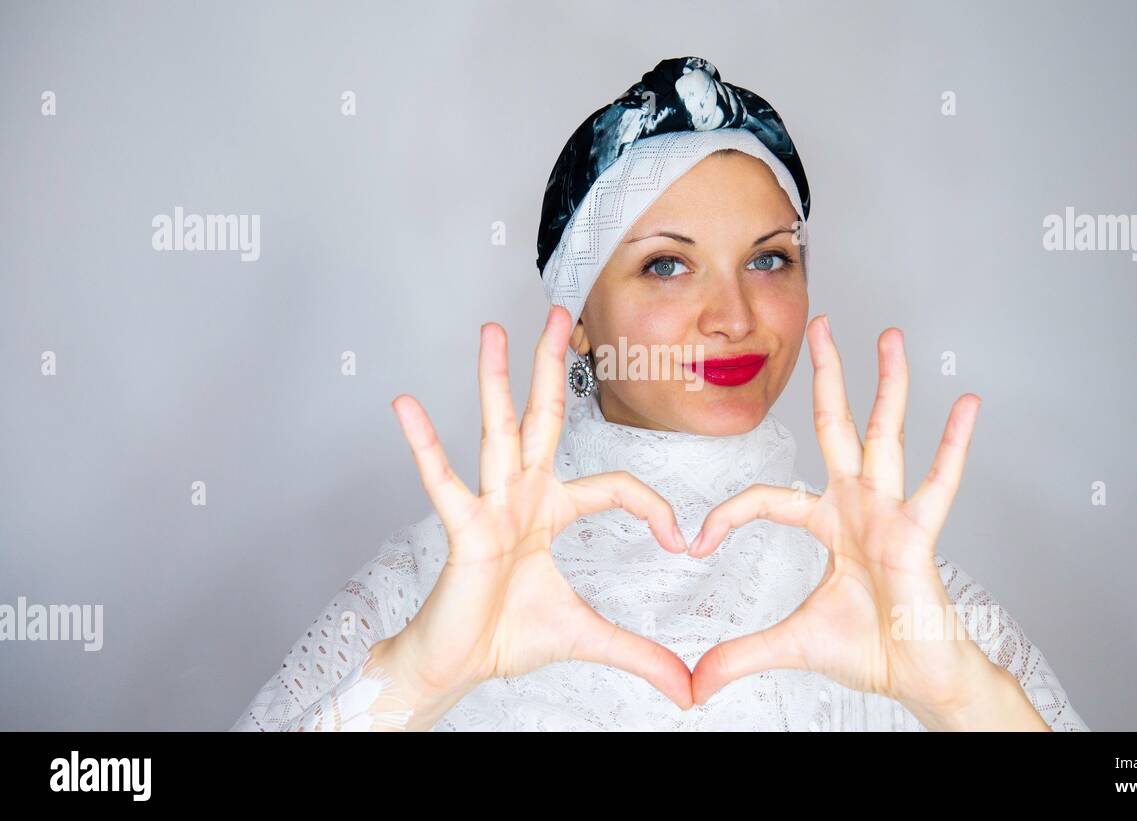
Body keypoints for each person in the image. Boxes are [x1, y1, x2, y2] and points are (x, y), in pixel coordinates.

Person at [230, 56, 1088, 731]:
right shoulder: (443, 583)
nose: (736, 316)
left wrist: (965, 702)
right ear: (581, 320)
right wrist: (415, 681)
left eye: (769, 258)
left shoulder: (889, 585)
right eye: (667, 264)